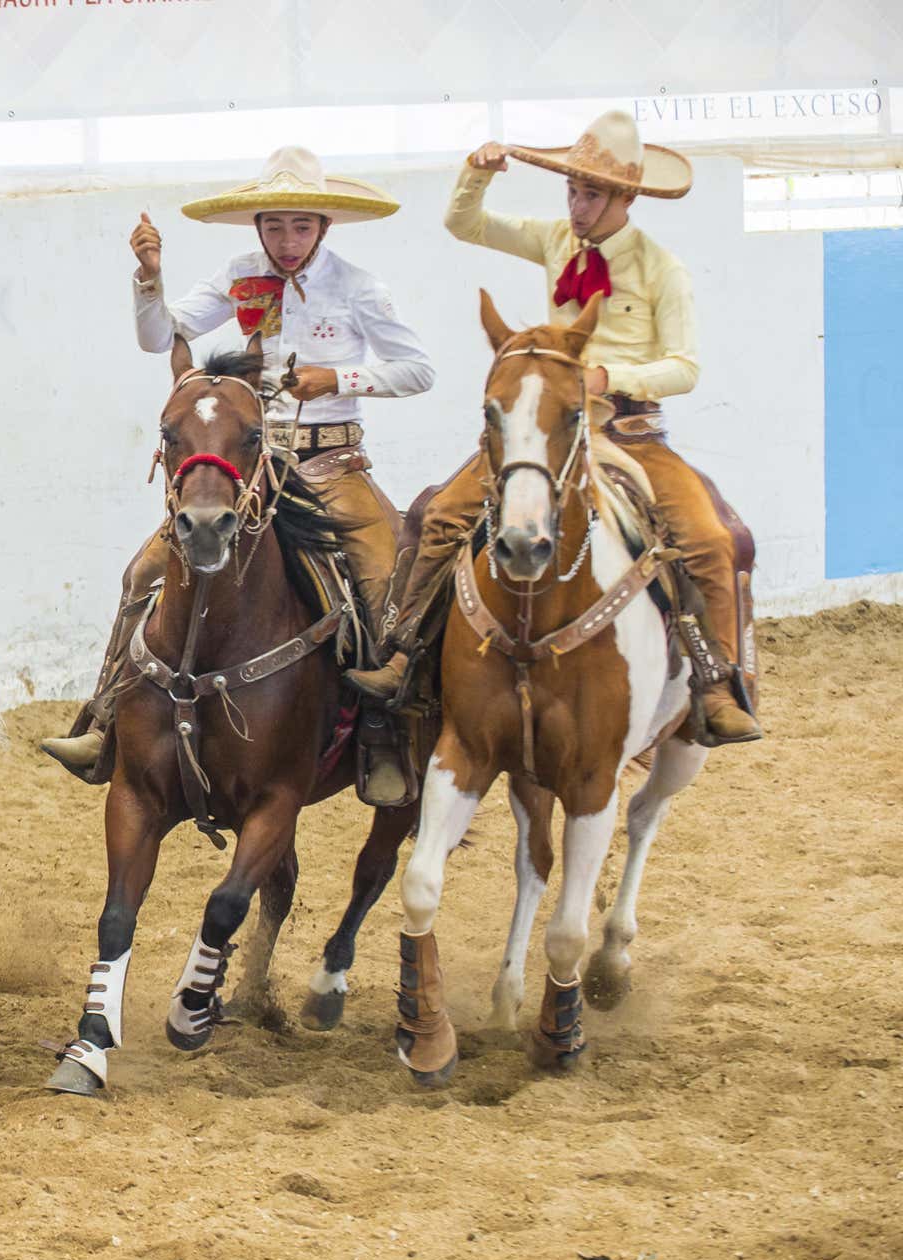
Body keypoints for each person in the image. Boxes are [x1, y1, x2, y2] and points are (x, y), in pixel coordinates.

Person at [346, 110, 761, 745]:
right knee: (441, 514)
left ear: (625, 199)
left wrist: (610, 376)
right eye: (572, 191)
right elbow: (466, 223)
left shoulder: (662, 268)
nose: (577, 206)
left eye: (591, 195)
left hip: (632, 431)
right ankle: (406, 653)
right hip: (548, 430)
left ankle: (715, 683)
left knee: (707, 537)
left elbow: (685, 367)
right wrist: (476, 174)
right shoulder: (553, 240)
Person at [40, 146, 434, 803]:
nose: (287, 240)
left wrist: (338, 378)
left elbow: (418, 370)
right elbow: (159, 337)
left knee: (380, 576)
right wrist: (149, 279)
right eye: (274, 226)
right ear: (258, 226)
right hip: (247, 466)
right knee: (144, 572)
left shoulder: (360, 288)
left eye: (300, 226)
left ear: (324, 226)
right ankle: (105, 718)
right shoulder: (239, 275)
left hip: (331, 461)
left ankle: (382, 735)